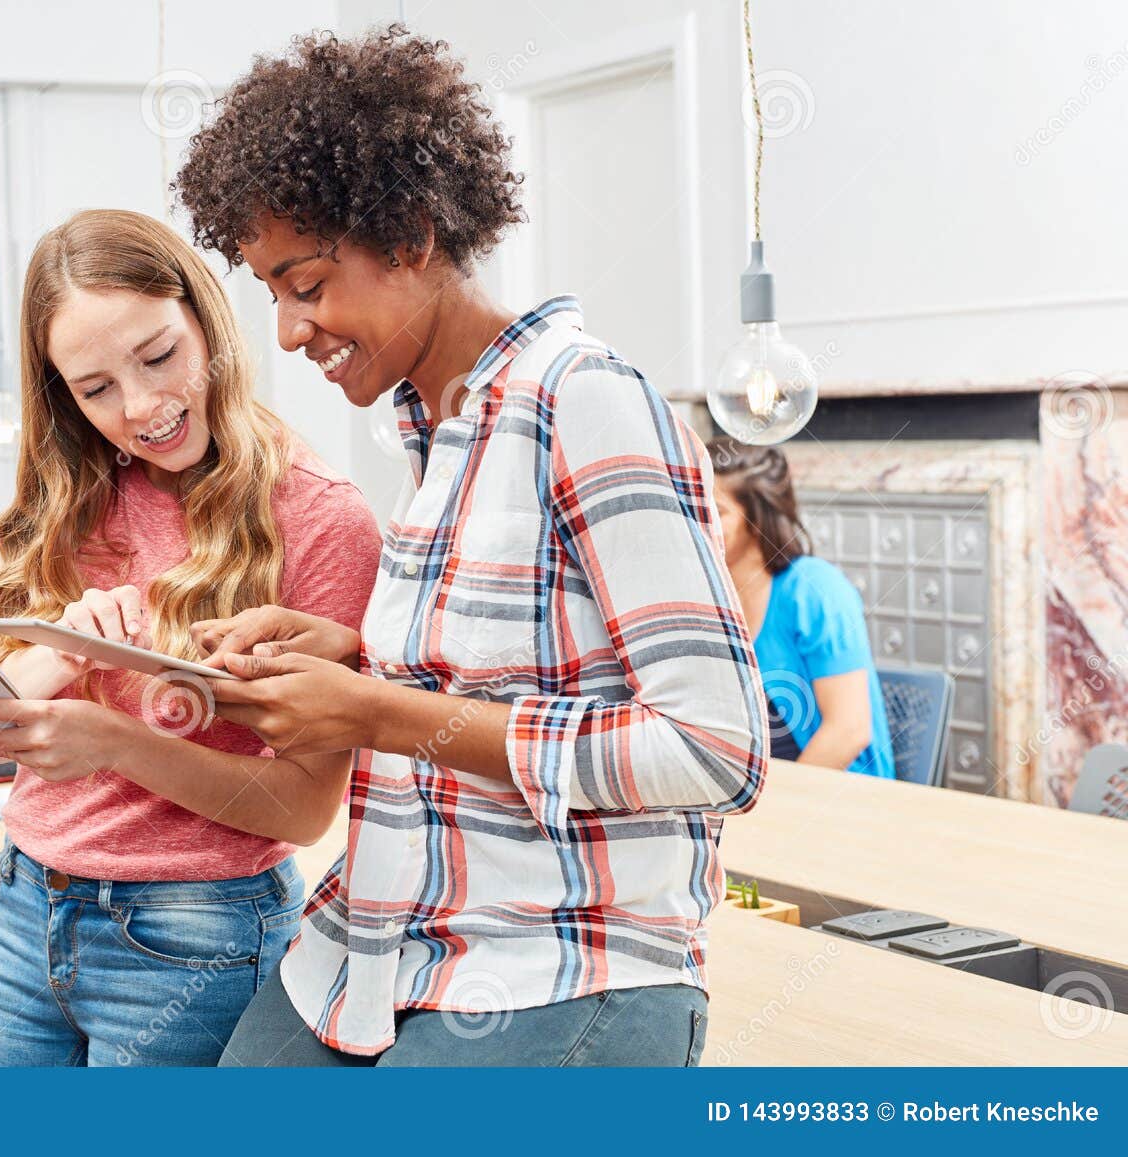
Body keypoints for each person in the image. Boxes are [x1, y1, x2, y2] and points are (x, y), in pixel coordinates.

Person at [173, 25, 768, 1067]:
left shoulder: (585, 404)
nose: (288, 330)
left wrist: (376, 712)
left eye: (305, 285)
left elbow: (715, 748)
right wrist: (348, 659)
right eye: (271, 293)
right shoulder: (435, 430)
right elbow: (514, 666)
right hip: (380, 943)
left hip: (562, 957)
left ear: (408, 237)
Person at [0, 209, 382, 1067]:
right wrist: (57, 655)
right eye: (95, 388)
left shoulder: (322, 519)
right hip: (24, 900)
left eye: (158, 356)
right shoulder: (79, 491)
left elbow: (303, 807)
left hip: (193, 934)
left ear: (207, 321)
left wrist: (113, 740)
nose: (140, 407)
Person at [708, 438, 897, 777]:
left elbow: (848, 731)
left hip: (835, 792)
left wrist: (776, 802)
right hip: (750, 790)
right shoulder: (709, 594)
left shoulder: (815, 589)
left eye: (716, 511)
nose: (698, 521)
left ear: (758, 519)